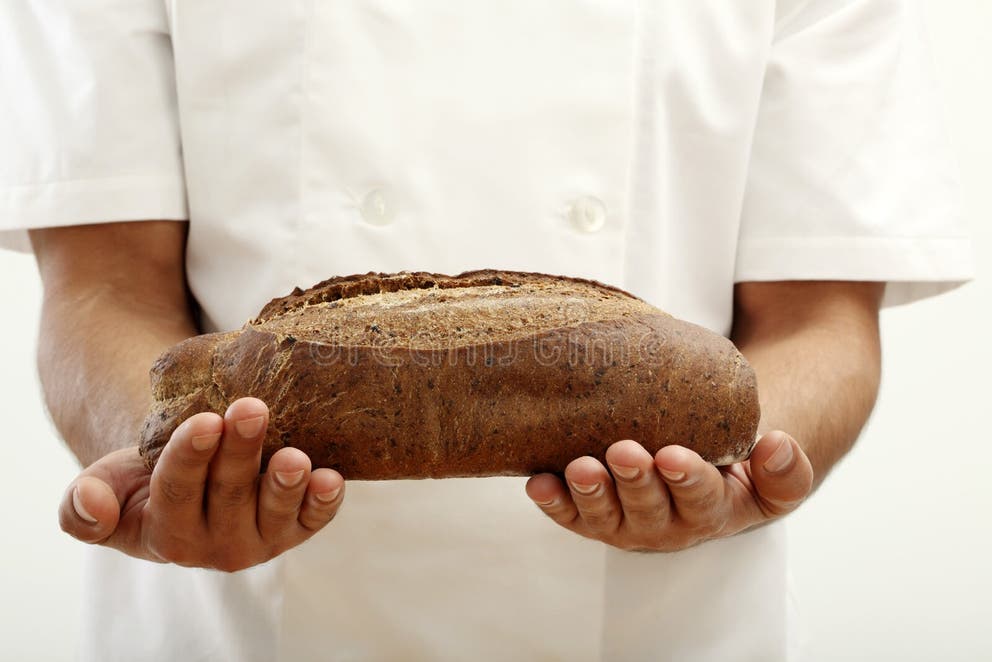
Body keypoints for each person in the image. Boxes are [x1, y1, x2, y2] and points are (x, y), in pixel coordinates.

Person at [0, 2, 973, 660]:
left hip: (656, 631)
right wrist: (165, 458)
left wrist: (736, 471)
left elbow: (817, 316)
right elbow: (102, 284)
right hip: (241, 628)